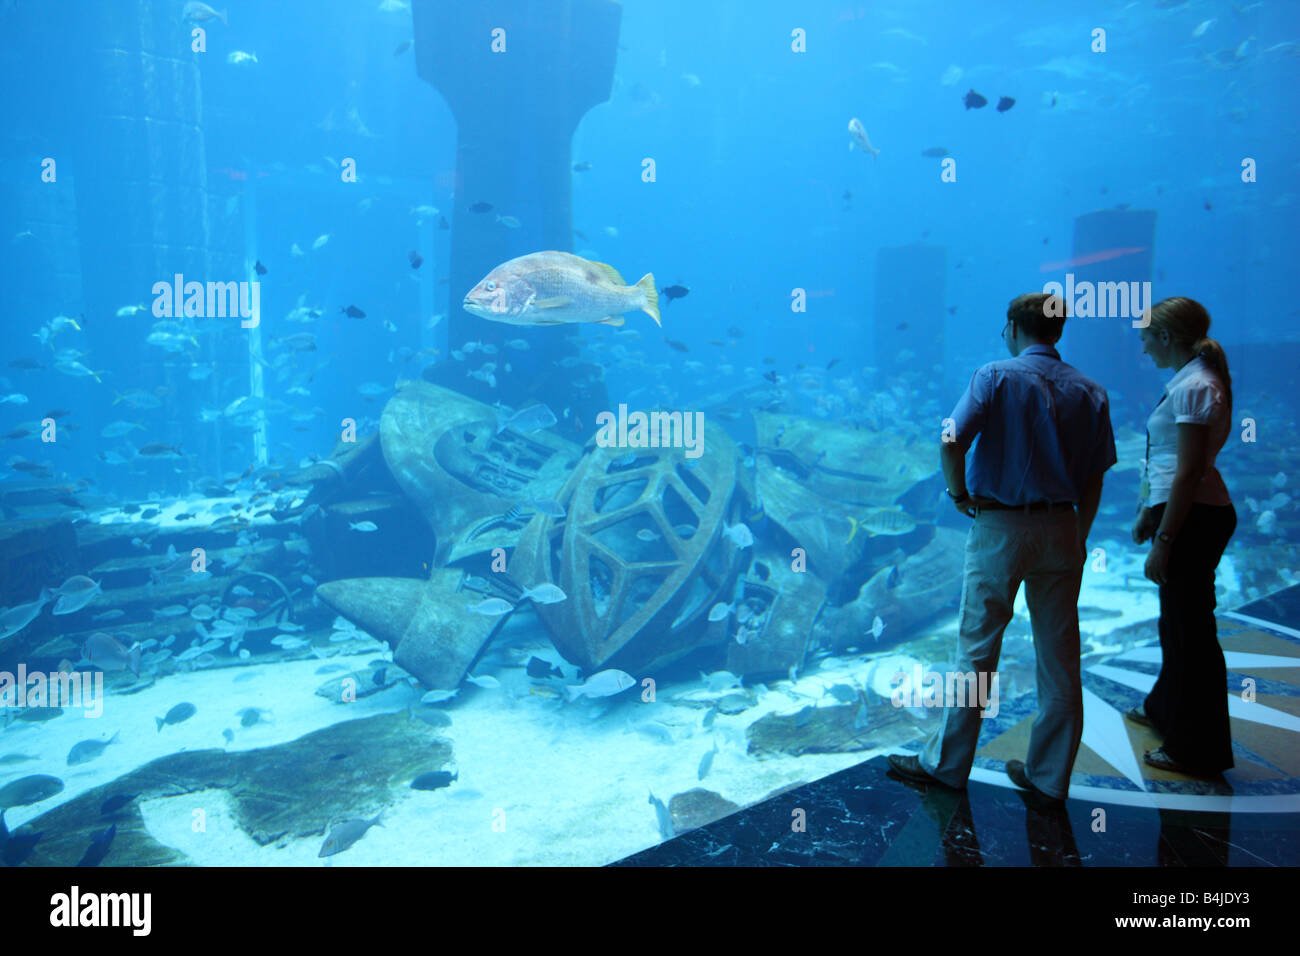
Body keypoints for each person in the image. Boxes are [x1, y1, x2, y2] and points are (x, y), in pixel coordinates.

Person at [888, 292, 1116, 806]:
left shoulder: (994, 376)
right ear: (1057, 331)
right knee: (1060, 658)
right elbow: (1098, 474)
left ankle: (947, 767)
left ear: (1014, 327)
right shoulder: (1091, 390)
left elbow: (950, 438)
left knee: (976, 651)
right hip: (1063, 527)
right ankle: (1050, 778)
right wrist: (1079, 532)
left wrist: (957, 493)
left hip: (1000, 528)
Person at [1128, 297, 1236, 776]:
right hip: (1187, 515)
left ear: (1166, 337)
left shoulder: (1196, 386)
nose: (1145, 348)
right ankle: (1164, 710)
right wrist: (1147, 509)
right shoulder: (1194, 381)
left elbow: (1190, 471)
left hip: (1193, 521)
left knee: (1192, 634)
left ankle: (1198, 749)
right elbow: (1173, 461)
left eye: (1147, 337)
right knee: (1176, 626)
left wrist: (1165, 541)